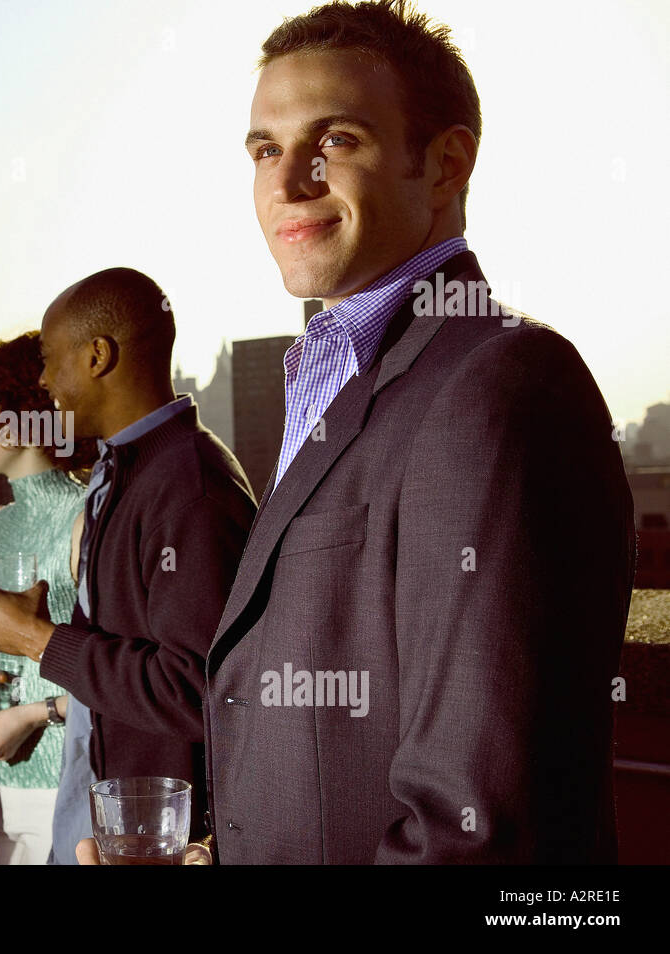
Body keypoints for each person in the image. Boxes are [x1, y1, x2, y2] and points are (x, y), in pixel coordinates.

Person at [201, 0, 635, 863]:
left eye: (336, 141)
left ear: (444, 165)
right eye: (265, 149)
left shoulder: (500, 385)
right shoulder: (335, 372)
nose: (288, 182)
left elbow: (477, 833)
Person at [0, 268, 258, 845]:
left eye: (51, 358)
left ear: (98, 355)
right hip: (105, 823)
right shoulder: (124, 472)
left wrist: (38, 640)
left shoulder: (190, 489)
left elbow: (199, 692)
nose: (44, 378)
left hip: (163, 841)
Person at [0, 332, 94, 865]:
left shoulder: (87, 520)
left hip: (69, 788)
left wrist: (33, 715)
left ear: (28, 409)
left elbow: (124, 681)